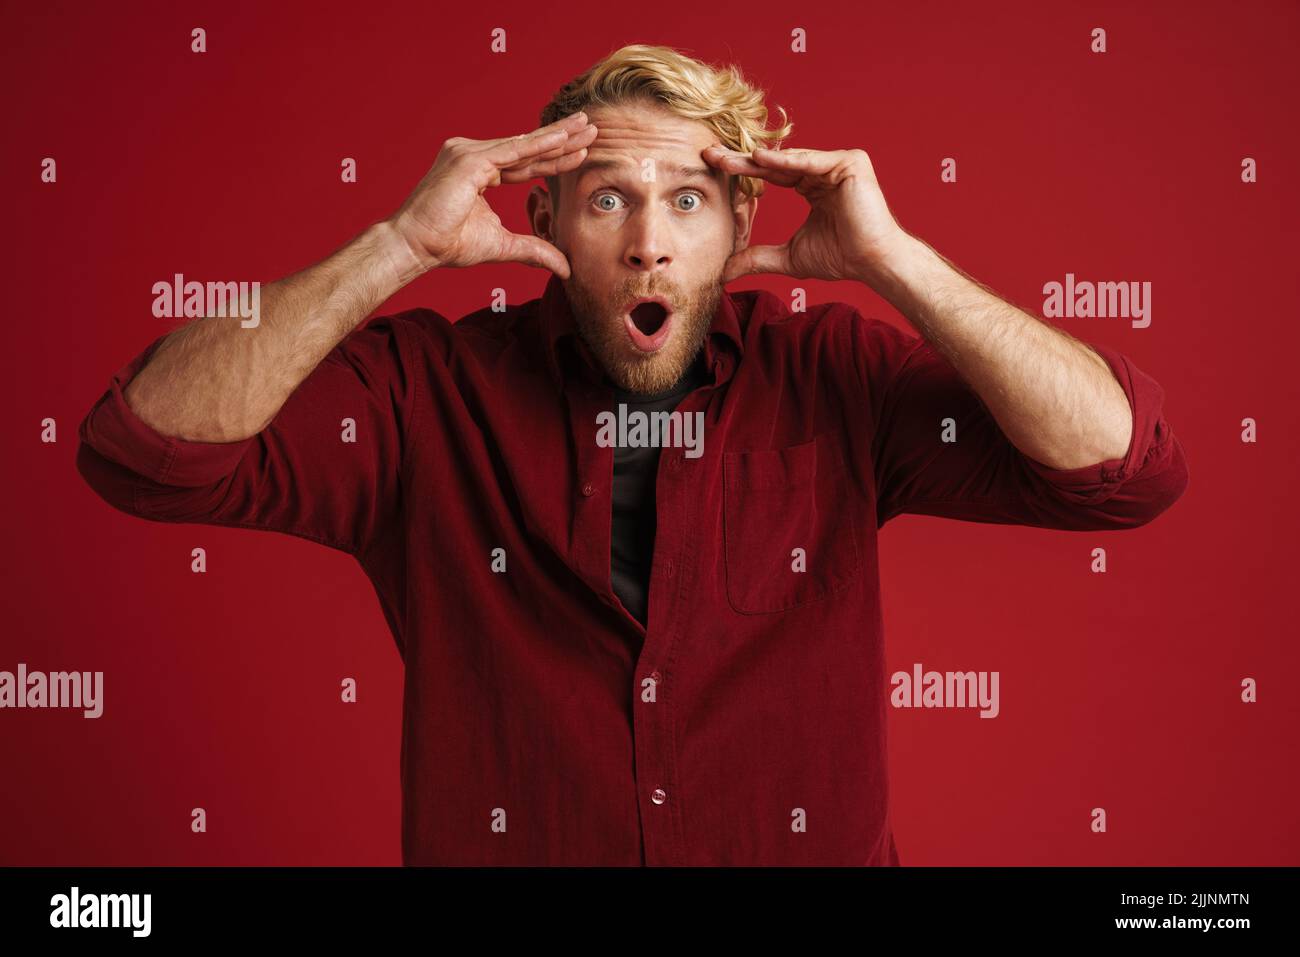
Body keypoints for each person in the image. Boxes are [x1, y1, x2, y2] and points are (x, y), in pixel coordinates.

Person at [76, 44, 1189, 865]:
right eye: (608, 199)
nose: (649, 240)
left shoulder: (833, 378)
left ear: (739, 219)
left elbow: (1121, 471)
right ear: (546, 215)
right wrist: (397, 246)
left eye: (689, 201)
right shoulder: (424, 395)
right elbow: (145, 448)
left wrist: (898, 263)